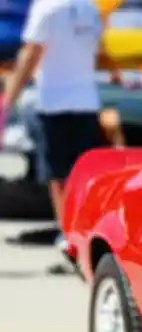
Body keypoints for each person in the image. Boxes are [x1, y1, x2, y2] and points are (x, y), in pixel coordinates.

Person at [2, 0, 108, 268]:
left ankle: (70, 246)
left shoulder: (47, 7)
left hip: (54, 103)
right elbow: (96, 52)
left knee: (58, 179)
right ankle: (82, 240)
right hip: (86, 101)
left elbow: (30, 54)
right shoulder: (89, 8)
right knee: (82, 177)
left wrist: (8, 100)